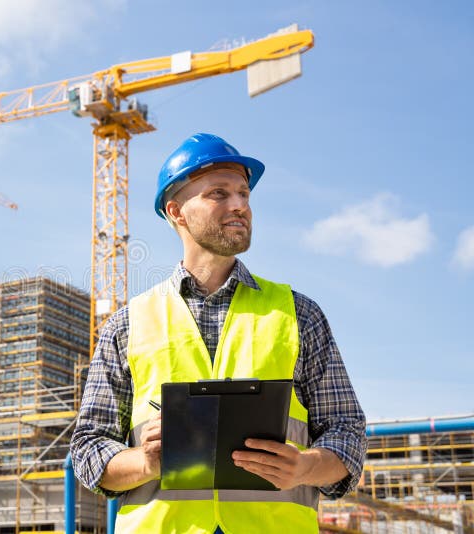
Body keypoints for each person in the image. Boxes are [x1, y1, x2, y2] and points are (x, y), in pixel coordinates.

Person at [70, 133, 366, 534]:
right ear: (176, 211)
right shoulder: (127, 325)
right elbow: (89, 449)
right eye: (219, 194)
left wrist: (304, 467)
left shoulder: (299, 314)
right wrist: (146, 461)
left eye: (244, 193)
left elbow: (347, 431)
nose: (240, 205)